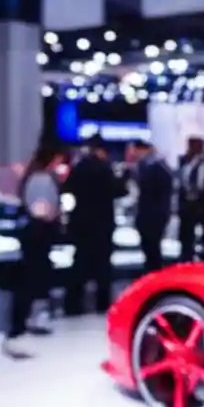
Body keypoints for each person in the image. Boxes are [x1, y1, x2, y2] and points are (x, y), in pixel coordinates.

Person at [5, 141, 66, 359]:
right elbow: (44, 210)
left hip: (32, 233)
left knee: (31, 277)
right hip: (39, 233)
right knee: (35, 278)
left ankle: (24, 323)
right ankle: (21, 327)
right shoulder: (42, 179)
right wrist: (55, 216)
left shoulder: (32, 177)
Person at [62, 135, 126, 315]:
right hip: (102, 224)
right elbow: (119, 190)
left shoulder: (79, 167)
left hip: (81, 222)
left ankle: (73, 304)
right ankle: (102, 304)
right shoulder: (106, 169)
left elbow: (67, 188)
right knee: (103, 266)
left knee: (79, 264)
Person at [130, 140, 173, 273]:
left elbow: (164, 193)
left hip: (154, 217)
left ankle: (155, 277)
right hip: (145, 216)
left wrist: (162, 215)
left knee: (153, 250)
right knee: (149, 250)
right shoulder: (143, 166)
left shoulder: (157, 166)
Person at [178, 137, 204, 262]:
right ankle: (187, 259)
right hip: (187, 205)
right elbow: (181, 181)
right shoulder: (184, 162)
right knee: (186, 237)